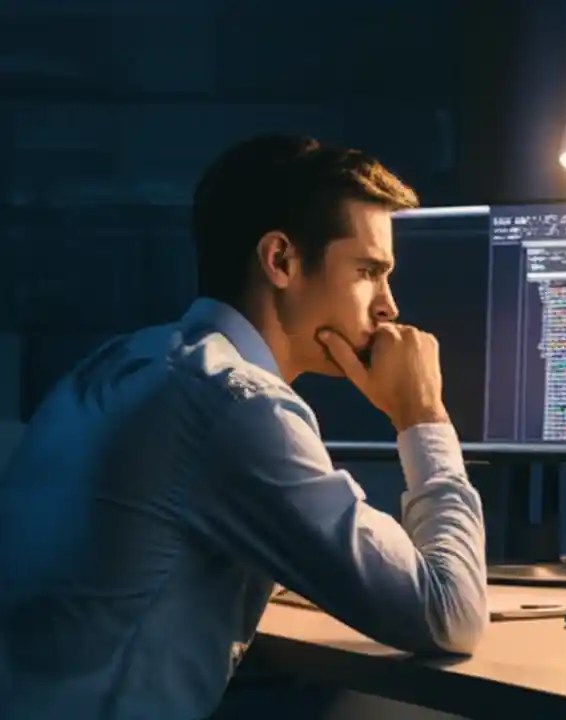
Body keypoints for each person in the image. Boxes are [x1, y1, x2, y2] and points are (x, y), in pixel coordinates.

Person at [0, 134, 488, 719]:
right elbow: (450, 613)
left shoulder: (123, 362)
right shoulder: (238, 404)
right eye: (367, 271)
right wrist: (422, 413)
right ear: (280, 261)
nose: (388, 306)